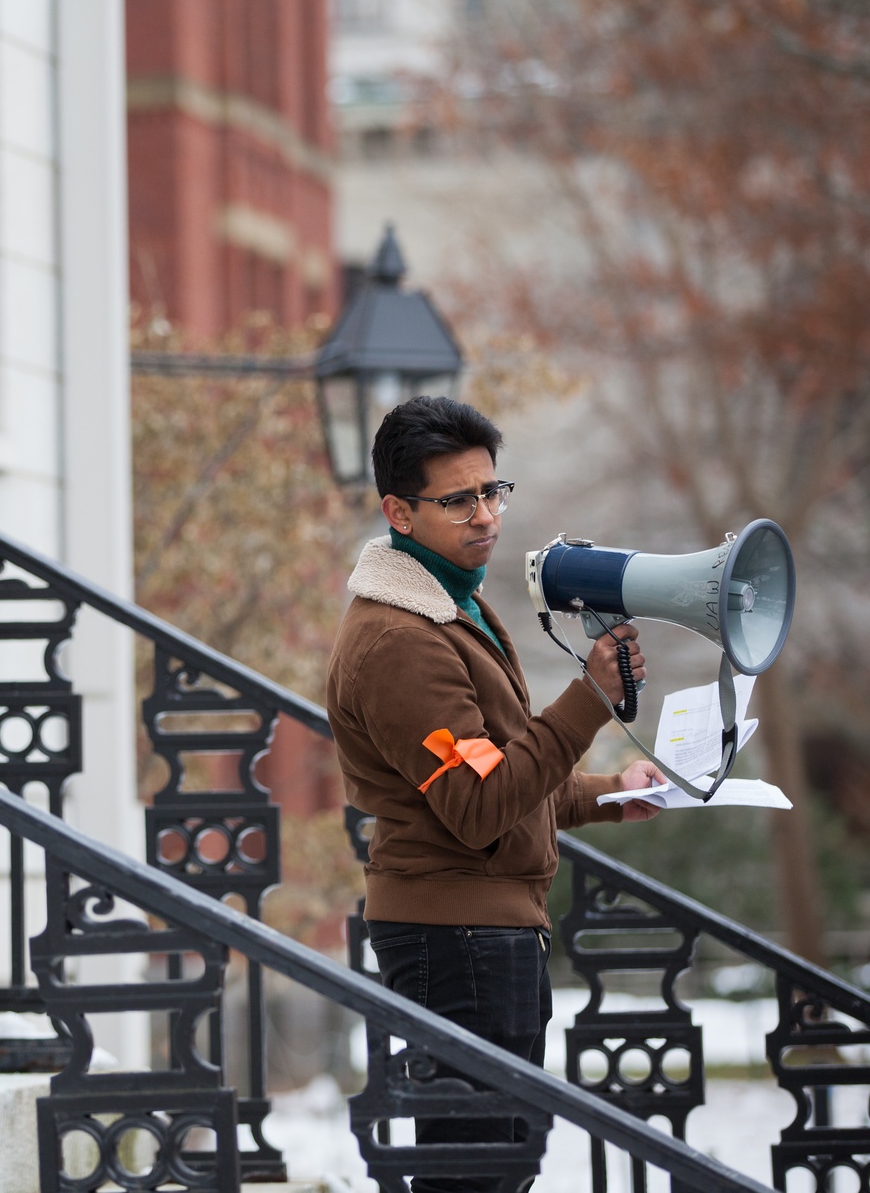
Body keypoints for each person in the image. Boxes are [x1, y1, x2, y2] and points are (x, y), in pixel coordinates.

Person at [325, 395, 665, 1191]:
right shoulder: (400, 642)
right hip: (459, 940)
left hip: (480, 934)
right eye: (457, 500)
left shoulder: (449, 608)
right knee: (476, 1176)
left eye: (491, 491)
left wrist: (611, 791)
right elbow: (479, 808)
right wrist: (591, 697)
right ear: (398, 512)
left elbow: (501, 778)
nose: (485, 516)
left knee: (495, 1169)